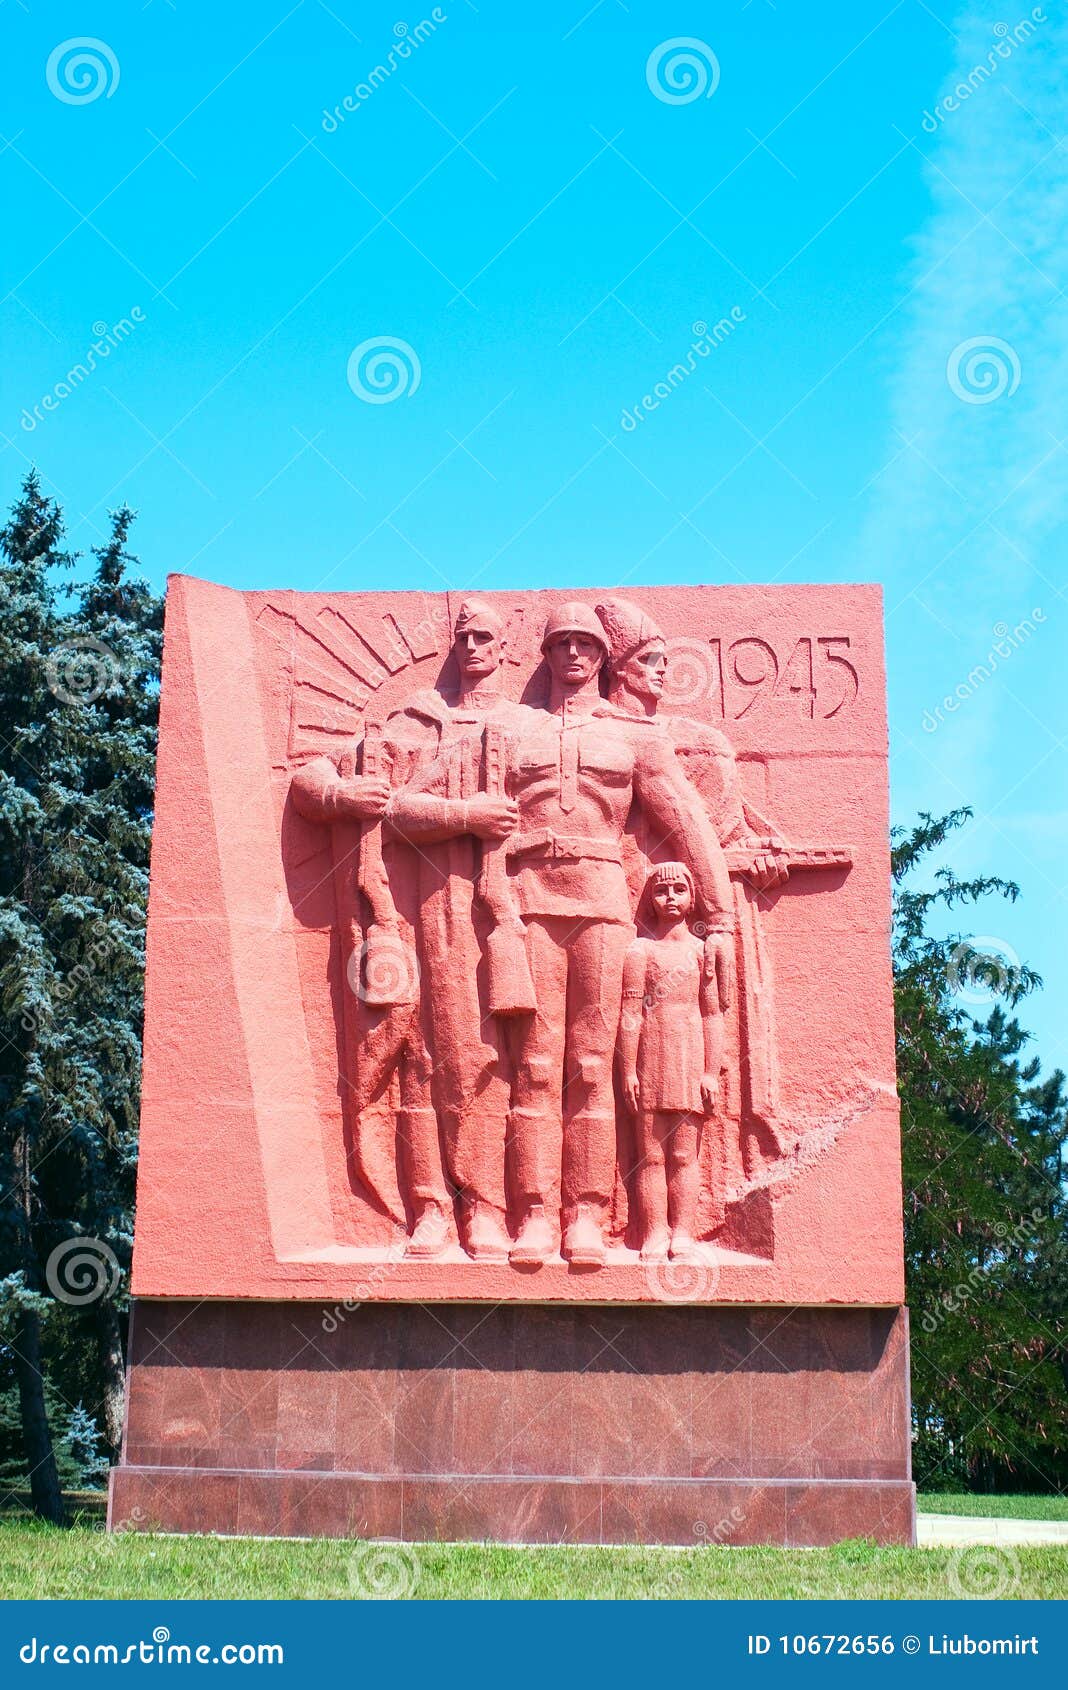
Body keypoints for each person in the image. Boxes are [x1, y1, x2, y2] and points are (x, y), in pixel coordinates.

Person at [391, 600, 734, 1267]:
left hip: (603, 903)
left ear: (603, 657)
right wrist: (468, 816)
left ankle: (587, 1214)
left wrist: (717, 915)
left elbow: (687, 822)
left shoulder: (635, 737)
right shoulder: (508, 730)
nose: (574, 654)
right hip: (526, 906)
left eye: (586, 644)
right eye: (561, 644)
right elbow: (405, 808)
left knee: (593, 1065)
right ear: (546, 654)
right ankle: (535, 1215)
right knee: (536, 1066)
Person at [292, 599, 520, 1261]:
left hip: (496, 914)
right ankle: (431, 1206)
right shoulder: (416, 721)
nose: (472, 646)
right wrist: (340, 797)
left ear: (504, 648)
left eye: (485, 636)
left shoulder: (525, 727)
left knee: (482, 1056)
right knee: (418, 1056)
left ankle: (486, 1205)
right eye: (464, 636)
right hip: (415, 908)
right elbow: (319, 777)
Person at [595, 597, 790, 1170]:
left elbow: (705, 825)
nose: (663, 670)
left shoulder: (691, 738)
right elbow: (677, 827)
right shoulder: (602, 732)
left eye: (665, 659)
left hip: (693, 922)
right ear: (618, 668)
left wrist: (748, 854)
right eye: (649, 659)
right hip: (626, 914)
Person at [619, 863, 731, 1260]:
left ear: (692, 897)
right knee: (651, 1155)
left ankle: (682, 1232)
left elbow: (712, 1014)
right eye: (661, 890)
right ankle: (654, 1231)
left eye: (679, 890)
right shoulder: (640, 951)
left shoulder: (702, 952)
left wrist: (711, 1071)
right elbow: (630, 1013)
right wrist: (627, 1069)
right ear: (650, 898)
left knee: (684, 1154)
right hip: (650, 1055)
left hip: (689, 1054)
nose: (670, 898)